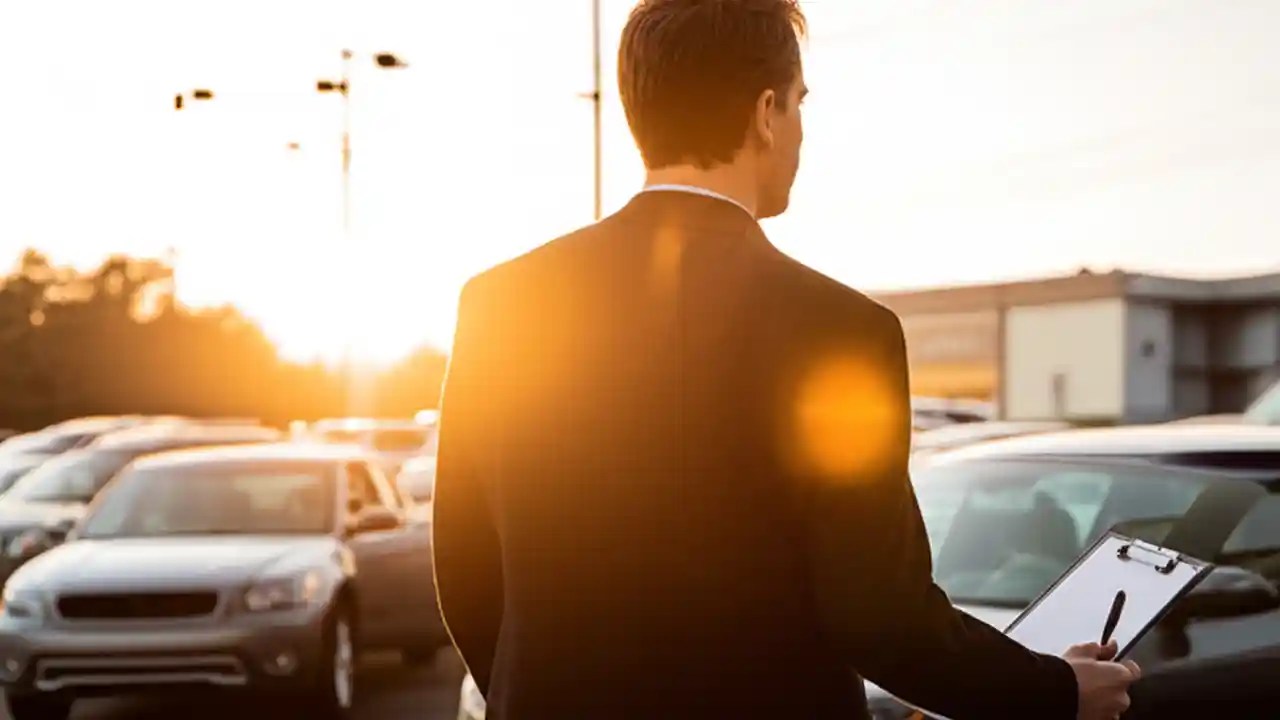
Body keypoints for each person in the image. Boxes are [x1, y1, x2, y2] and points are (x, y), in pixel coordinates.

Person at [432, 1, 1140, 718]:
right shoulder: (841, 332)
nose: (801, 129)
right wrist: (1053, 690)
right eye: (800, 103)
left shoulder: (500, 306)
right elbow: (878, 613)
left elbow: (465, 575)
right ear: (766, 112)